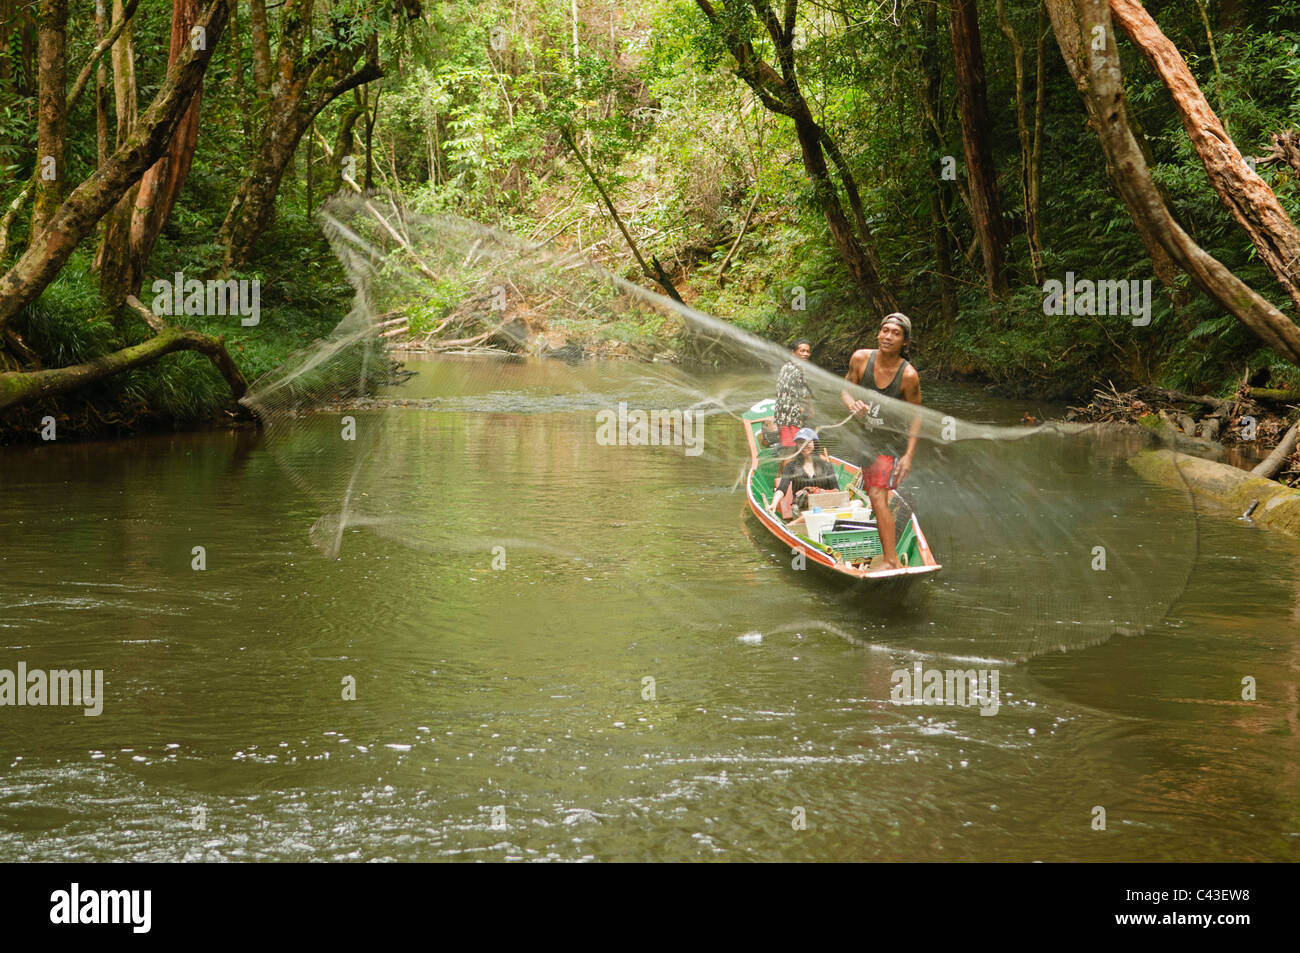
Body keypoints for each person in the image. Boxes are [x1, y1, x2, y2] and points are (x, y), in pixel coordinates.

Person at [840, 312, 922, 572]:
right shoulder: (861, 358)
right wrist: (852, 403)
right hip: (867, 440)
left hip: (892, 443)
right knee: (877, 497)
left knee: (876, 495)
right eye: (884, 330)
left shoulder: (908, 375)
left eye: (895, 333)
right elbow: (845, 387)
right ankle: (886, 546)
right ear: (878, 333)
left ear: (905, 341)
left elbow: (917, 416)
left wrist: (909, 455)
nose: (888, 336)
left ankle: (890, 560)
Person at [769, 427, 838, 519]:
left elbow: (836, 490)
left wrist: (821, 493)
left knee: (858, 503)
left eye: (807, 442)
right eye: (800, 442)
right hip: (801, 510)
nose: (803, 445)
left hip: (824, 508)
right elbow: (781, 489)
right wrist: (773, 504)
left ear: (815, 443)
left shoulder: (826, 466)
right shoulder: (791, 466)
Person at [774, 339, 814, 447]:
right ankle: (789, 463)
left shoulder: (787, 366)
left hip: (783, 415)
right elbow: (803, 393)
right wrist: (807, 408)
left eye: (807, 351)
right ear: (793, 352)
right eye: (802, 351)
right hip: (789, 416)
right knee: (791, 448)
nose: (806, 354)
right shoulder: (796, 369)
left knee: (792, 447)